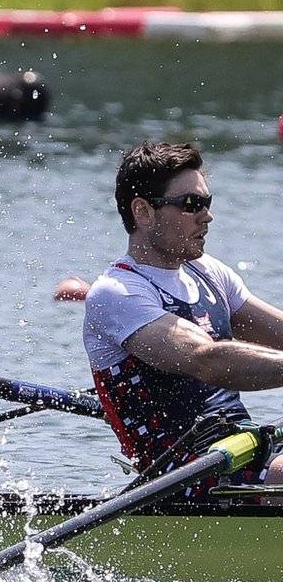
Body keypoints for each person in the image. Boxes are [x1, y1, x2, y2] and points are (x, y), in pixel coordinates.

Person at [83, 141, 283, 491]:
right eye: (192, 205)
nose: (207, 215)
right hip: (180, 475)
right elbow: (207, 360)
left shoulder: (208, 273)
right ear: (143, 211)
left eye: (207, 202)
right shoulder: (118, 293)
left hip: (243, 452)